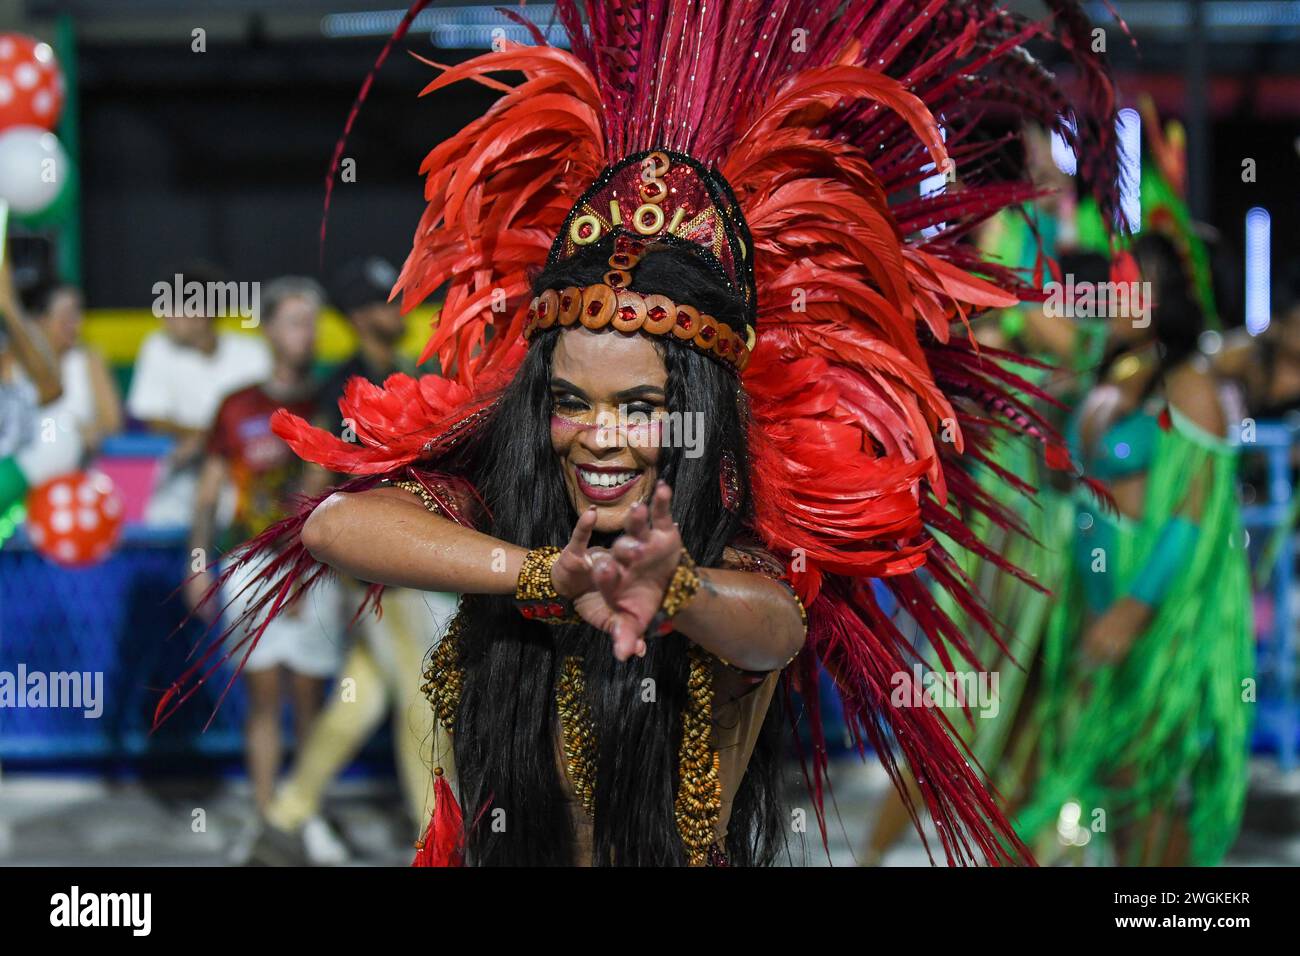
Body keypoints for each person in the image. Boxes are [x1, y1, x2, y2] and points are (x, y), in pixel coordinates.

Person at [158, 0, 1124, 867]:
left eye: (639, 407)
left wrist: (676, 588)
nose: (600, 438)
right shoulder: (515, 488)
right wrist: (544, 574)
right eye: (571, 401)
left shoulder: (736, 524)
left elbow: (775, 624)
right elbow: (333, 527)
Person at [1014, 232, 1253, 865]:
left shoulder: (1188, 386)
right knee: (1100, 776)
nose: (1110, 294)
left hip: (1145, 609)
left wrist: (1133, 609)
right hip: (1086, 596)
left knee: (1139, 785)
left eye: (1126, 284)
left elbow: (1190, 520)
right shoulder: (1113, 367)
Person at [250, 258, 457, 866]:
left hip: (413, 565)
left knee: (364, 694)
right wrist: (299, 568)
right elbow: (314, 488)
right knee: (425, 703)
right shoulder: (342, 392)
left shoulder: (411, 377)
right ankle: (435, 844)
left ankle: (286, 813)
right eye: (387, 301)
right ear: (362, 315)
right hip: (381, 573)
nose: (400, 310)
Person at [184, 277, 345, 861]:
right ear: (269, 327)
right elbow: (206, 495)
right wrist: (198, 562)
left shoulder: (334, 400)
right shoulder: (237, 405)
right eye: (295, 319)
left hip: (314, 566)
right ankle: (263, 819)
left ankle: (304, 815)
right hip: (250, 564)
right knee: (262, 698)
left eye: (313, 320)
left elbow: (330, 495)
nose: (305, 331)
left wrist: (304, 569)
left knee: (310, 697)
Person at [126, 264, 271, 525]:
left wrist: (211, 441)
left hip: (246, 476)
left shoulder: (252, 353)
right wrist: (209, 438)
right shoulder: (157, 347)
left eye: (172, 310)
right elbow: (151, 418)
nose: (164, 318)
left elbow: (268, 420)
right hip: (181, 477)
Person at [19, 282, 122, 466]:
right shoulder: (15, 364)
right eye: (65, 317)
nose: (74, 324)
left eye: (77, 316)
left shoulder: (89, 360)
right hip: (28, 467)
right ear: (40, 321)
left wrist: (83, 432)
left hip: (78, 472)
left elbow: (112, 422)